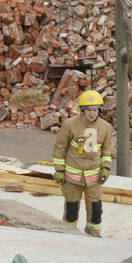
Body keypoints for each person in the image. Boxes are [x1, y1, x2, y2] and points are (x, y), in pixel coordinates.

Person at [53, 90, 115, 237]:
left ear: (99, 110)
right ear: (83, 110)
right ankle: (69, 234)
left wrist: (105, 168)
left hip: (94, 178)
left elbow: (106, 150)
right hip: (72, 176)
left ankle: (93, 234)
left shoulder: (105, 127)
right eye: (88, 110)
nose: (92, 113)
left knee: (95, 210)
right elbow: (60, 147)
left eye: (95, 110)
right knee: (72, 209)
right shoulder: (70, 124)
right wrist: (59, 170)